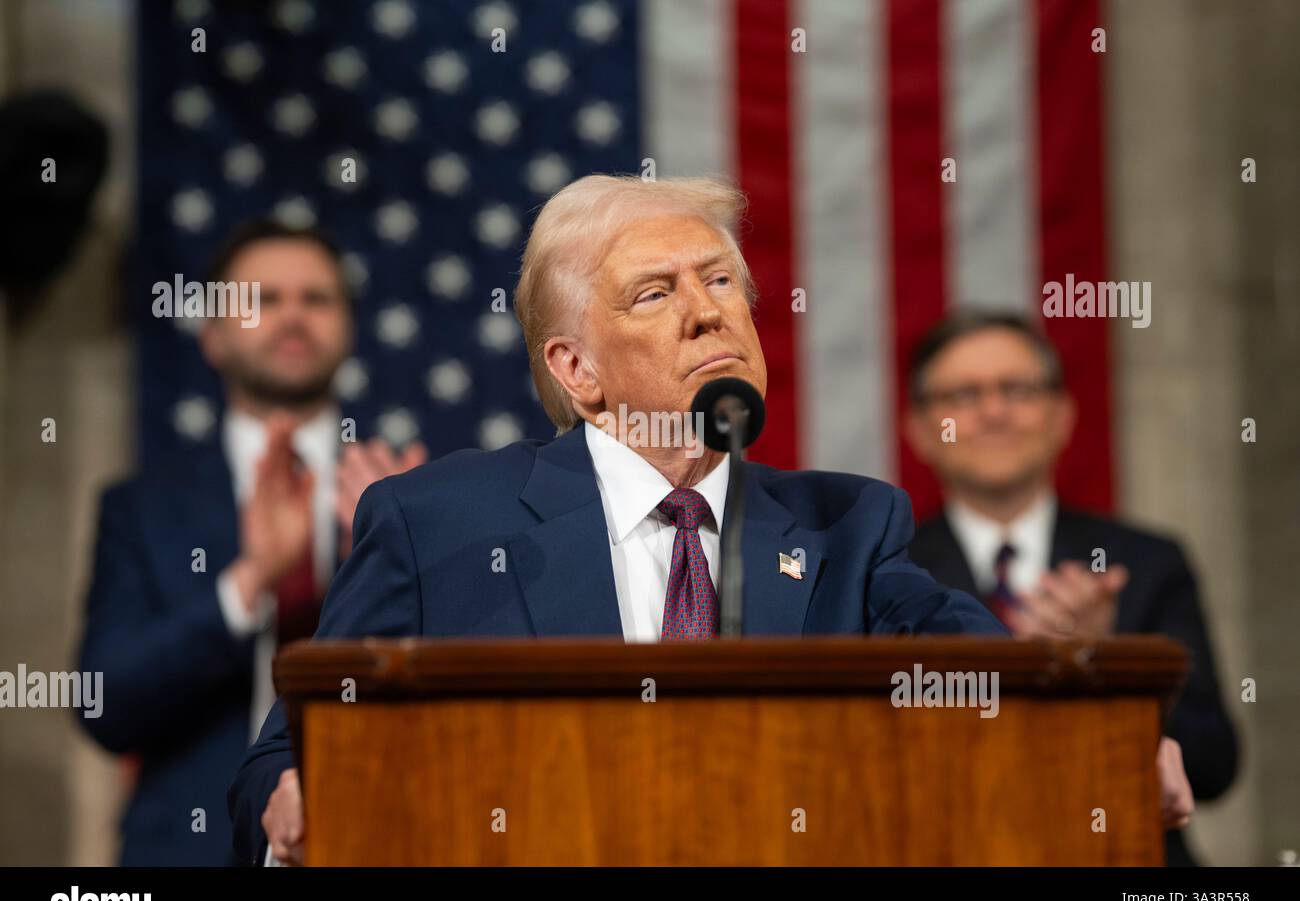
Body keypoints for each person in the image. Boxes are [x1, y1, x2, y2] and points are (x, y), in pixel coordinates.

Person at [227, 176, 1193, 865]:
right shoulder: (438, 519)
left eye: (721, 281)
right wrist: (298, 794)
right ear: (576, 370)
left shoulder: (847, 526)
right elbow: (287, 749)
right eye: (656, 293)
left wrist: (1091, 734)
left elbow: (972, 664)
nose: (706, 312)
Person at [78, 220, 425, 865]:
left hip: (377, 837)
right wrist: (249, 580)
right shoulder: (141, 508)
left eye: (316, 299)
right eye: (263, 300)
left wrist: (394, 556)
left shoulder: (407, 489)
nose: (293, 317)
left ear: (348, 327)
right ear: (211, 336)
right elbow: (104, 703)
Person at [903, 307, 1238, 866]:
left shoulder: (1148, 564)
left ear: (1062, 416)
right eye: (963, 396)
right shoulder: (885, 569)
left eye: (1018, 389)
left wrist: (1104, 664)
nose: (994, 412)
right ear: (918, 430)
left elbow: (1215, 763)